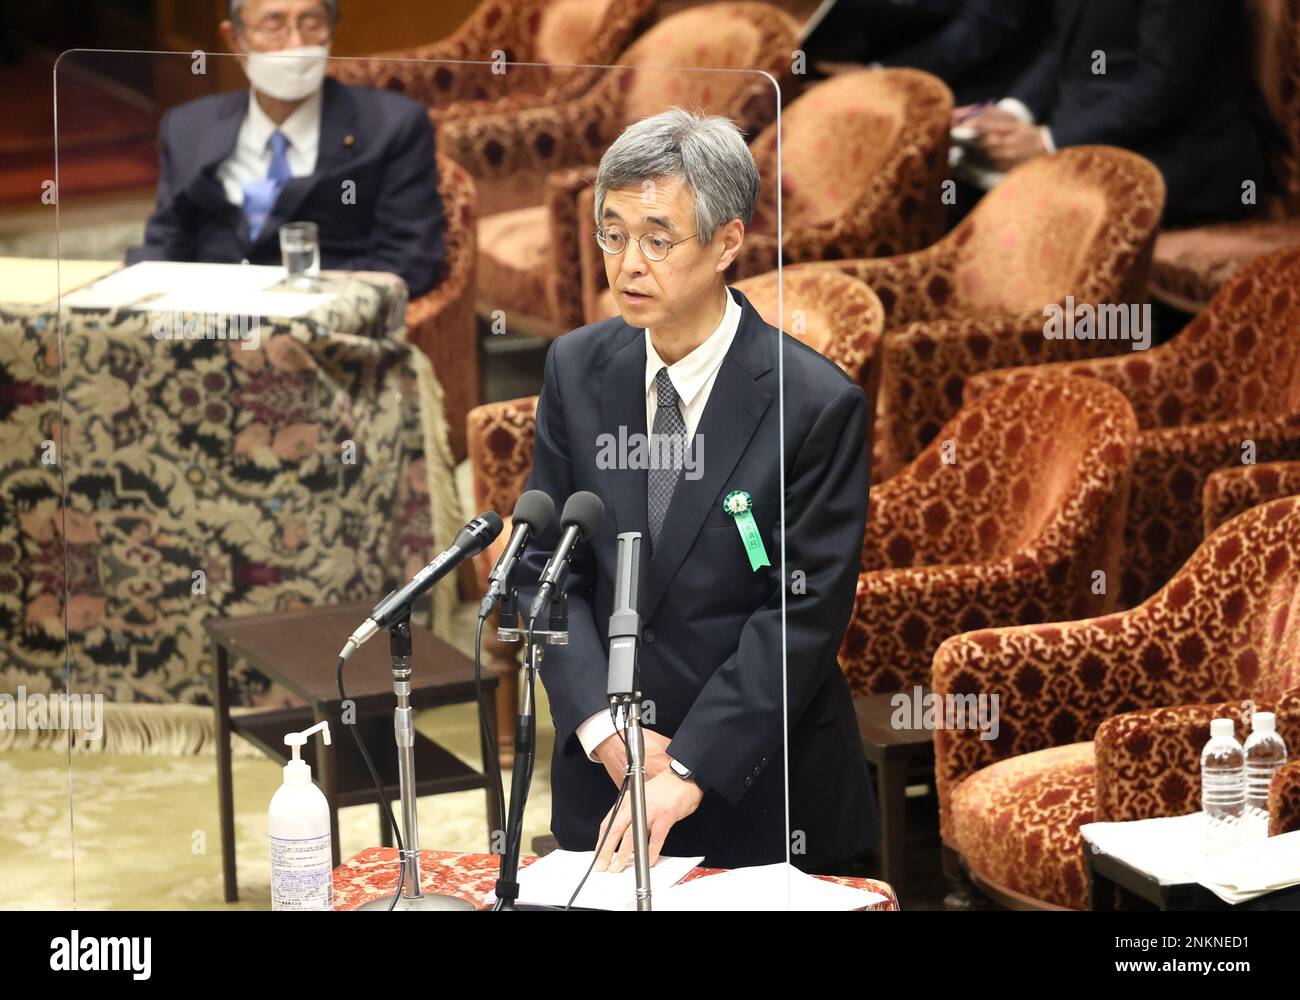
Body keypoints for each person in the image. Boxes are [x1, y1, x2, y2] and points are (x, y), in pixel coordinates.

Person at [516, 108, 879, 876]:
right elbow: (545, 570)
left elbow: (801, 614)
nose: (627, 264)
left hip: (759, 795)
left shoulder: (812, 405)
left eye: (657, 237)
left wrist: (684, 771)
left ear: (726, 243)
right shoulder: (577, 371)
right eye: (612, 234)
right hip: (604, 786)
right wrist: (602, 728)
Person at [128, 0, 444, 297]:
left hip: (326, 319)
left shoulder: (391, 126)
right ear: (236, 40)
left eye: (310, 24)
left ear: (330, 31)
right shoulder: (189, 126)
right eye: (273, 25)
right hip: (207, 316)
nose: (295, 44)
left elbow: (409, 261)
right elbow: (165, 242)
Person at [955, 0, 1270, 226]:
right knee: (953, 166)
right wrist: (1012, 113)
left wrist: (1049, 142)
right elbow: (1062, 46)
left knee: (1017, 203)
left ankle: (1055, 321)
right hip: (1094, 136)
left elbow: (1164, 85)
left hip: (1181, 153)